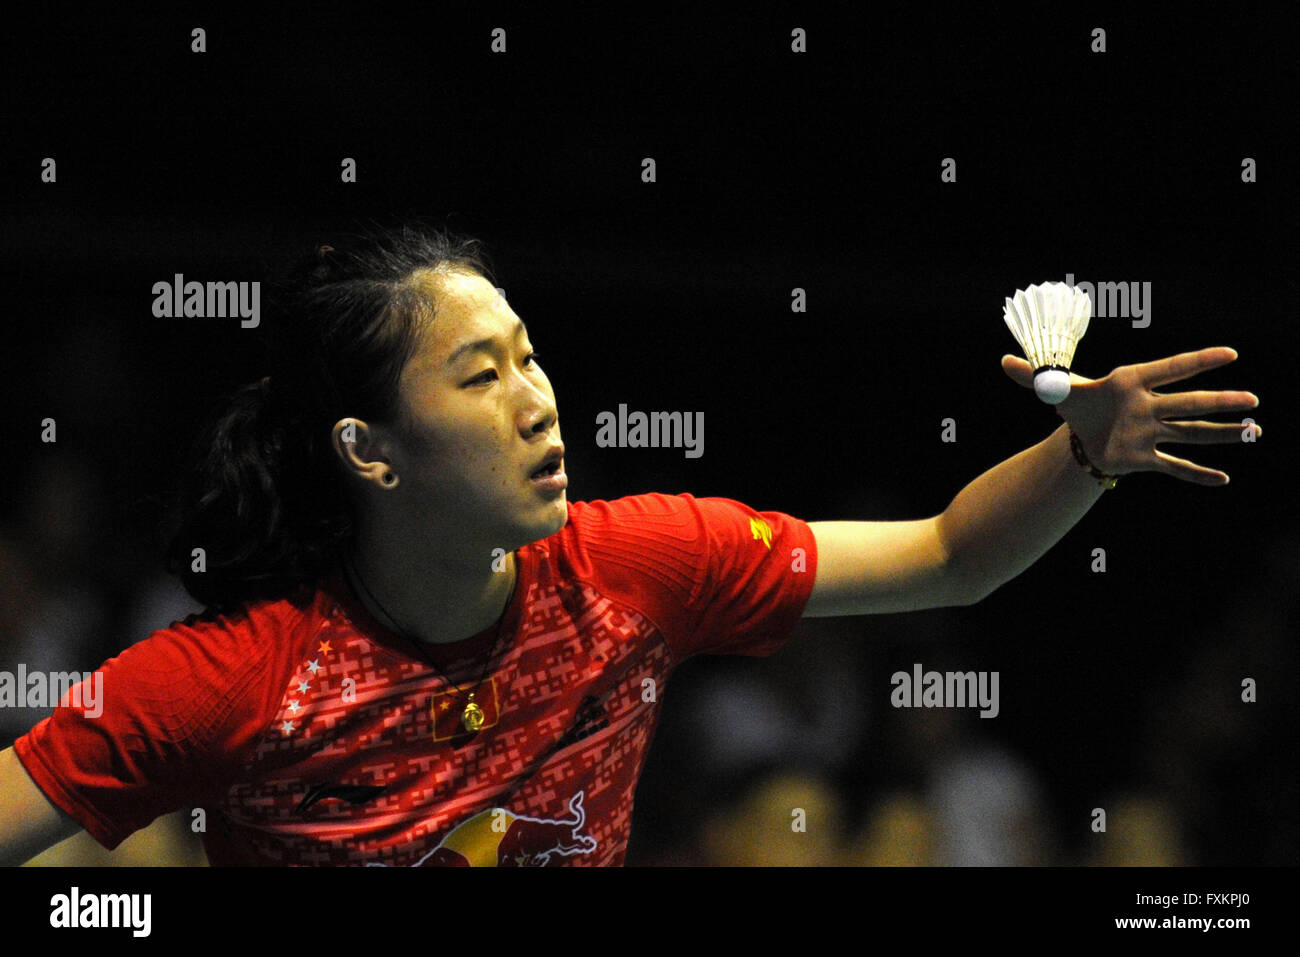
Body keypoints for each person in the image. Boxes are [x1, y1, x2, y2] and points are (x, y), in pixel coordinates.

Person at [0, 223, 1262, 866]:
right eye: (479, 375)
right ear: (370, 448)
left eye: (530, 355)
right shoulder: (234, 679)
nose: (538, 397)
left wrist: (1086, 451)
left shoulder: (636, 567)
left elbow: (947, 556)